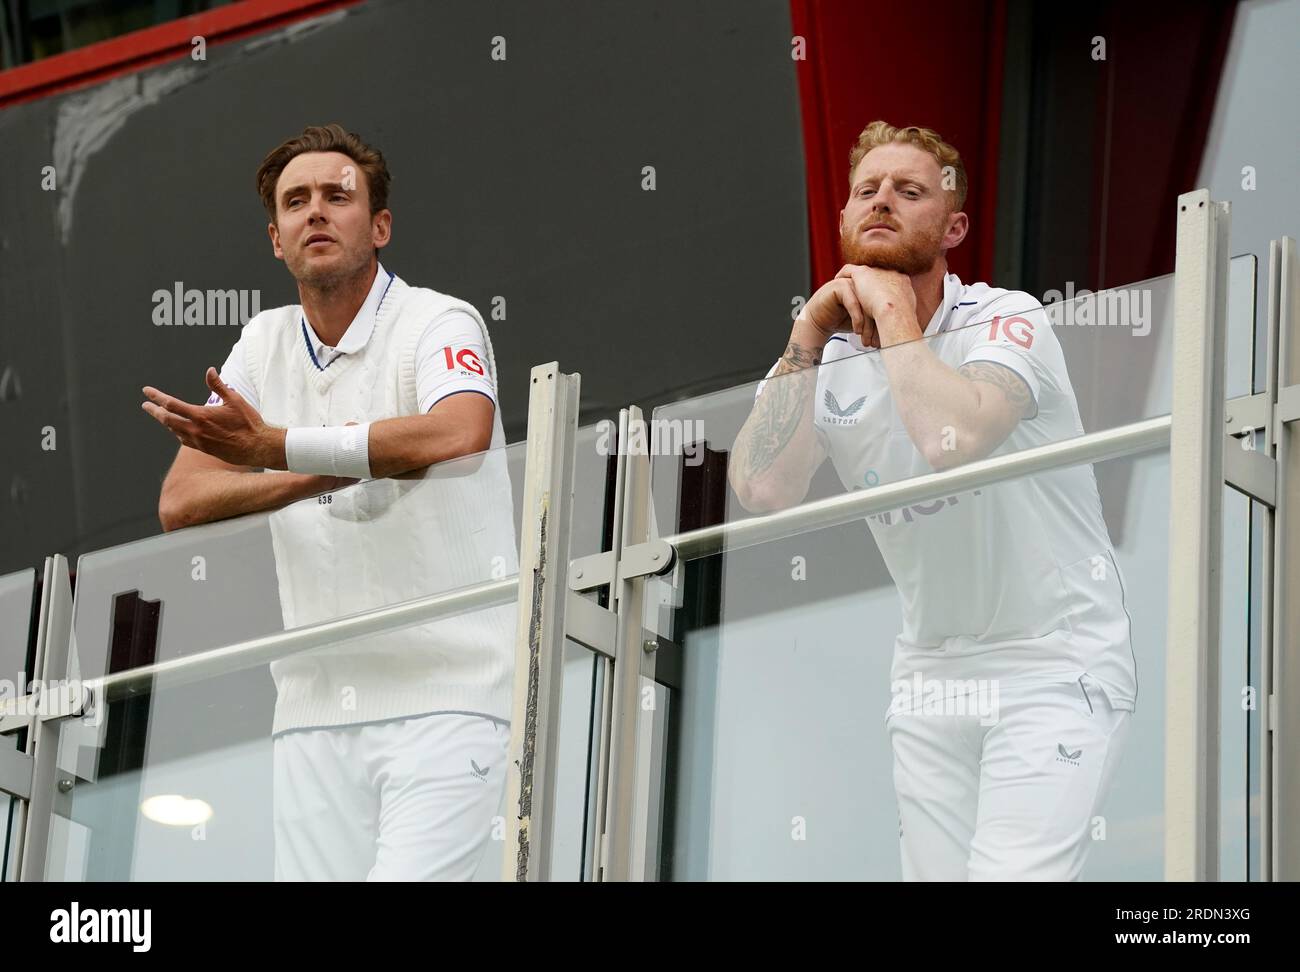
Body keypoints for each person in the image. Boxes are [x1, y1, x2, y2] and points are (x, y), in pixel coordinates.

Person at [729, 121, 1135, 881]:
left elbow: (954, 438)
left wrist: (892, 315)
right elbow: (761, 487)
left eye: (909, 191)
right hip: (931, 667)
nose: (882, 201)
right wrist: (808, 330)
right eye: (867, 191)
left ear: (953, 226)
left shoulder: (1007, 319)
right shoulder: (823, 354)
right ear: (845, 220)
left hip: (1057, 656)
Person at [142, 123, 515, 881]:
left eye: (337, 196)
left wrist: (280, 447)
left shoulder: (440, 320)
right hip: (311, 710)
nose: (316, 211)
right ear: (275, 239)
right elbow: (181, 499)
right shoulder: (261, 342)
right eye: (296, 201)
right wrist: (321, 470)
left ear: (379, 226)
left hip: (455, 697)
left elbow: (460, 432)